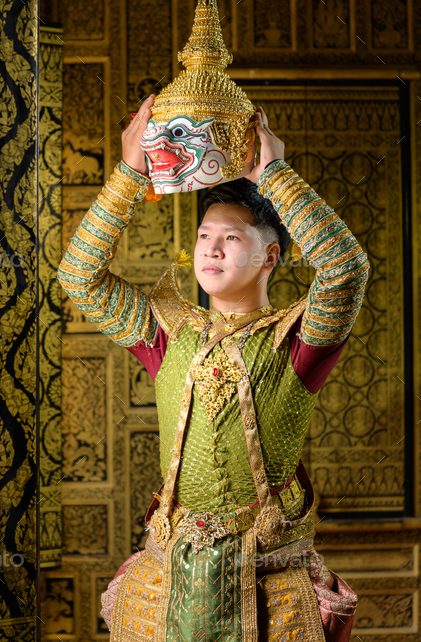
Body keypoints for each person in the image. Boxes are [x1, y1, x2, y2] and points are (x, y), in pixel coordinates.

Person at [58, 98, 369, 642]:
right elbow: (79, 275)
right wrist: (129, 172)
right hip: (168, 571)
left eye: (231, 238)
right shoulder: (169, 333)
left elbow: (344, 269)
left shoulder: (296, 341)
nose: (212, 249)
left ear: (269, 258)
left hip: (267, 582)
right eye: (205, 236)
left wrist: (273, 173)